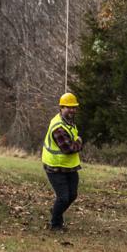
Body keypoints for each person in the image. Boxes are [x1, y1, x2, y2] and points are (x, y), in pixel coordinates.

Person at [41, 93, 83, 232]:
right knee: (63, 198)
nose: (72, 110)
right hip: (54, 166)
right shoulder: (58, 127)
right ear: (61, 108)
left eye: (74, 107)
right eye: (69, 107)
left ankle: (56, 211)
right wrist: (79, 142)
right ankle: (55, 225)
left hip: (69, 166)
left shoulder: (68, 121)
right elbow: (68, 149)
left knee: (73, 195)